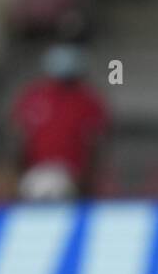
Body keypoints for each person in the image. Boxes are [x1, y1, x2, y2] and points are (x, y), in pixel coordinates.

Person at [9, 44, 109, 200]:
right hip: (37, 173)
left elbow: (93, 146)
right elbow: (20, 141)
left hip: (68, 175)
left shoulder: (87, 101)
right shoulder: (34, 96)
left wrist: (86, 183)